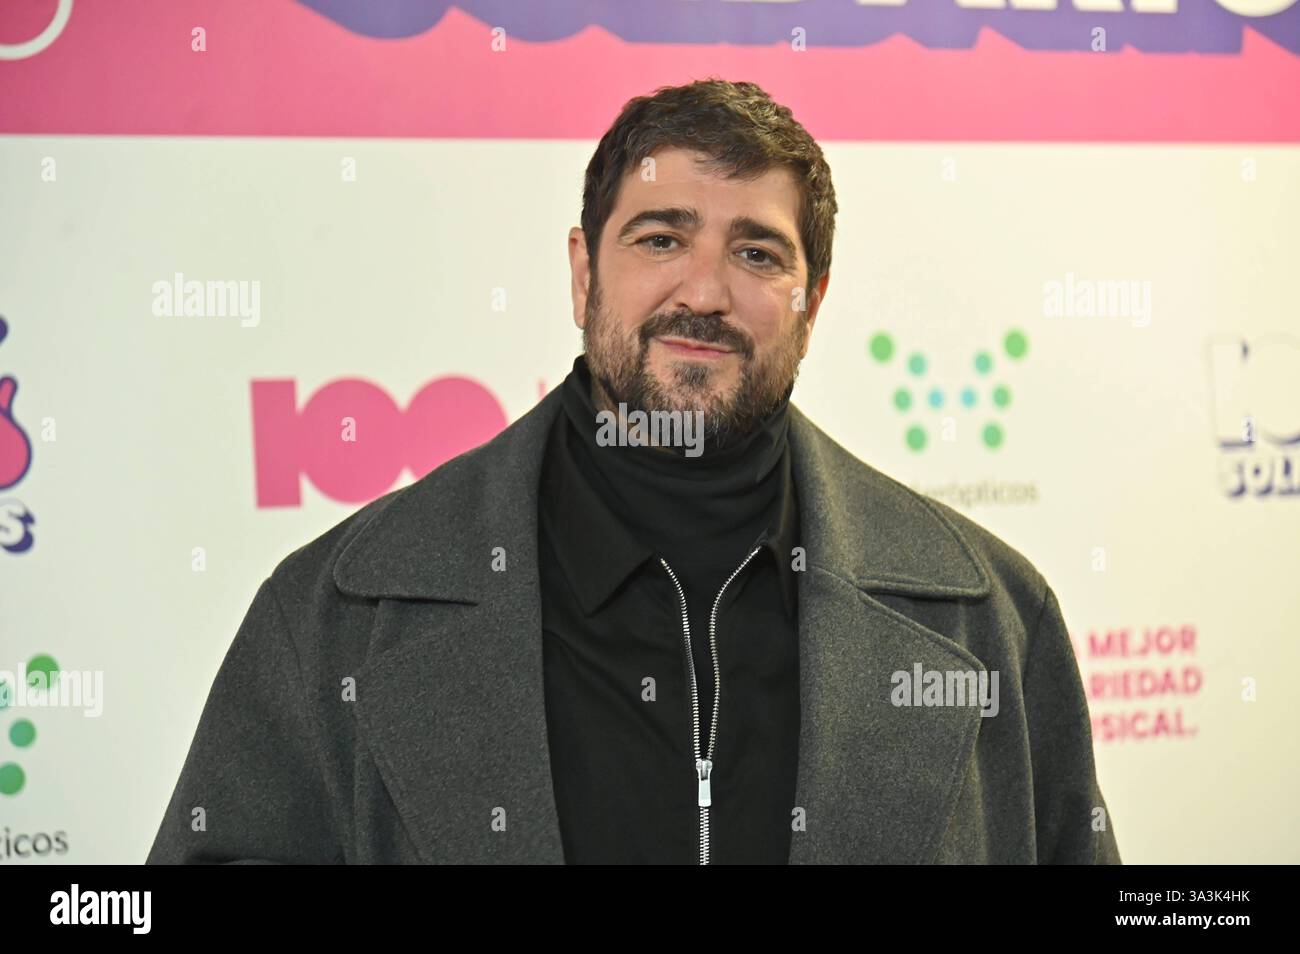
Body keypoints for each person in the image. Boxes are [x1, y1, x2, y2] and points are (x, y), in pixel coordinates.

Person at [147, 78, 1120, 865]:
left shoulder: (988, 612)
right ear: (582, 273)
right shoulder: (337, 613)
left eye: (754, 252)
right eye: (660, 238)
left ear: (811, 300)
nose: (703, 292)